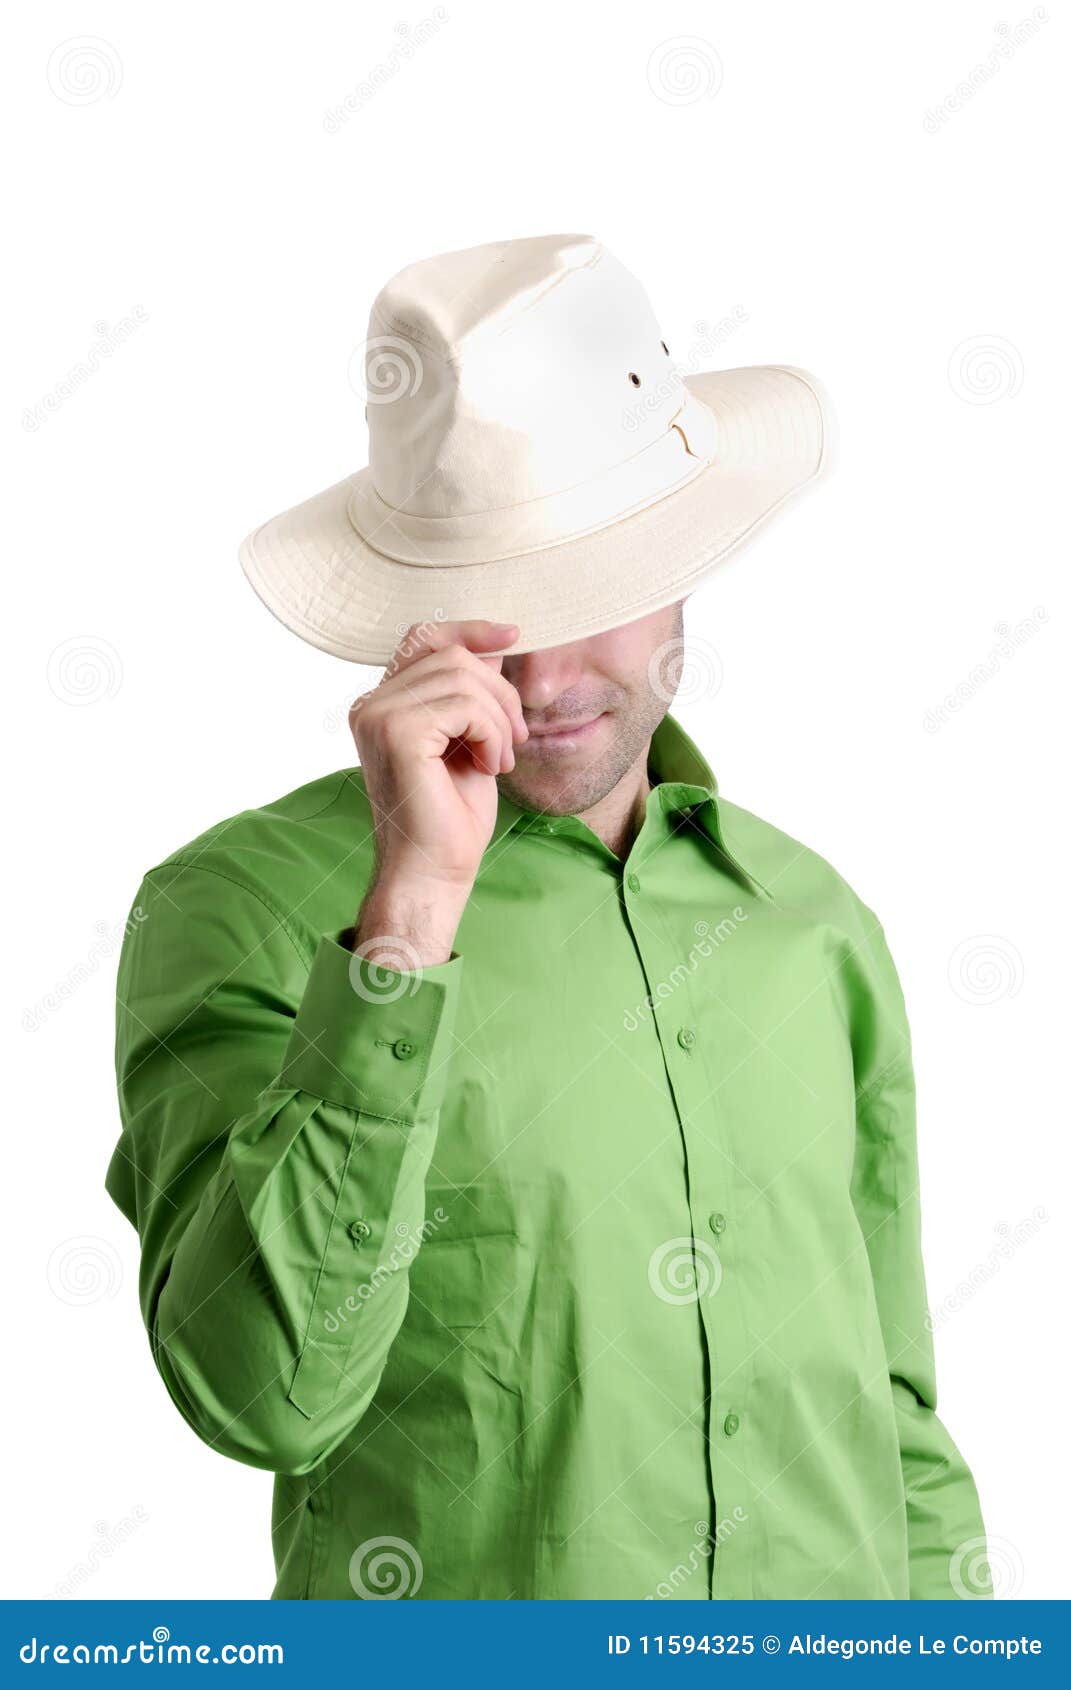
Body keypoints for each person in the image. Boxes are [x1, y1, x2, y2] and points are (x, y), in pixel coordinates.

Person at [107, 234, 988, 1600]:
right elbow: (263, 1396)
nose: (551, 668)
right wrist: (408, 917)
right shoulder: (239, 909)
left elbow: (894, 1409)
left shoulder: (814, 924)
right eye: (495, 598)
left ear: (690, 556)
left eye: (600, 584)